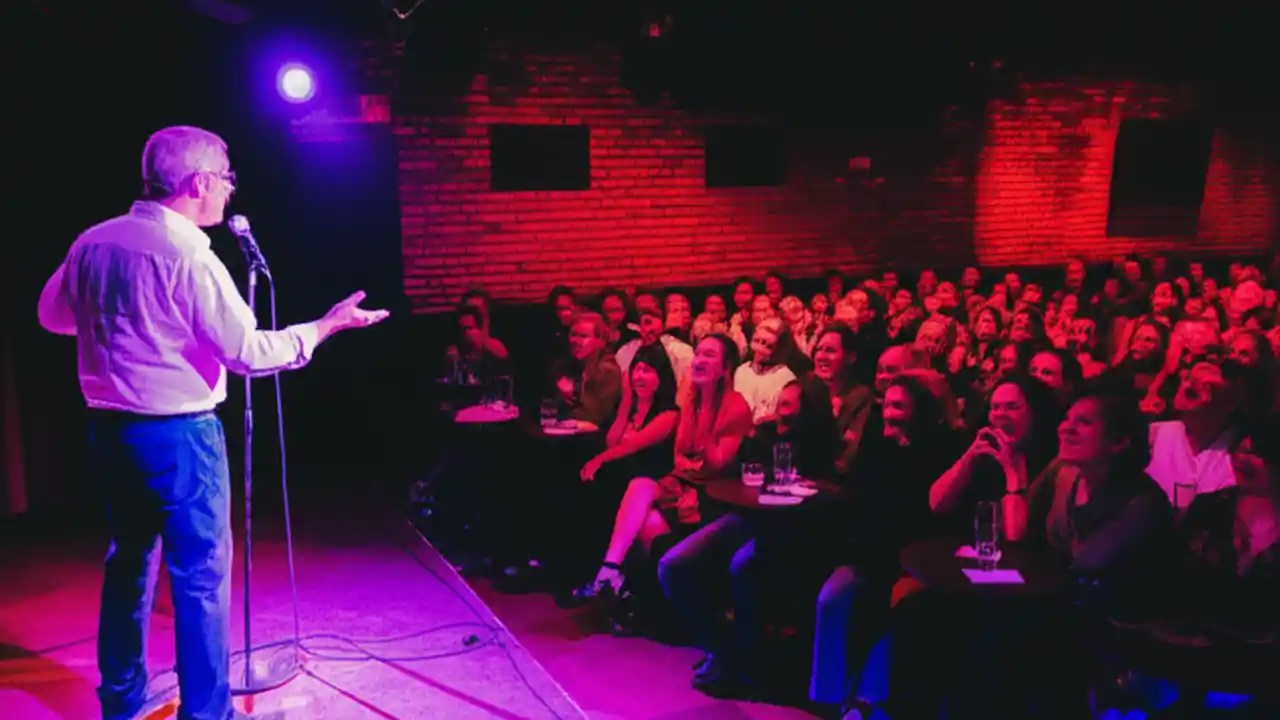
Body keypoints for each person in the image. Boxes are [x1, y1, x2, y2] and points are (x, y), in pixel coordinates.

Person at [36, 126, 389, 720]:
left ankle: (121, 700)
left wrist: (118, 322)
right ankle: (206, 713)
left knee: (129, 565)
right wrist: (325, 327)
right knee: (199, 578)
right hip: (181, 436)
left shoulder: (93, 242)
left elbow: (53, 317)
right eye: (226, 178)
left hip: (111, 433)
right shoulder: (190, 256)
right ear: (199, 182)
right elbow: (247, 353)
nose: (229, 189)